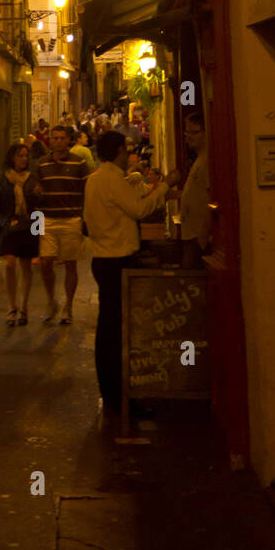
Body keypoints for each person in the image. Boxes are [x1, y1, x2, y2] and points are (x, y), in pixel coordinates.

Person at [83, 130, 180, 420]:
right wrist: (164, 187)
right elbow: (140, 209)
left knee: (108, 329)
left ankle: (110, 391)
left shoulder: (94, 180)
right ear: (116, 152)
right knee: (119, 331)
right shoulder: (113, 180)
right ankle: (119, 394)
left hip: (102, 258)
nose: (129, 155)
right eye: (125, 150)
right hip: (117, 261)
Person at [36, 124, 90, 324]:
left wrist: (84, 218)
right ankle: (51, 301)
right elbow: (36, 193)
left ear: (68, 140)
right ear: (50, 140)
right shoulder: (42, 164)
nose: (58, 141)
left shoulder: (79, 162)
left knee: (70, 263)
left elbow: (88, 190)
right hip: (47, 219)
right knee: (45, 262)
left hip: (71, 219)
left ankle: (68, 305)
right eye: (55, 138)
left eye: (61, 138)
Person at [0, 143, 43, 326]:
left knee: (26, 267)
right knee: (9, 264)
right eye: (20, 155)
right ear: (12, 158)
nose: (24, 158)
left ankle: (23, 307)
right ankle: (11, 306)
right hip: (9, 226)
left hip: (29, 226)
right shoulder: (3, 179)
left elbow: (39, 207)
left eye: (26, 155)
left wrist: (39, 233)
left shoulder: (33, 179)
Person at [178, 112, 212, 254]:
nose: (189, 136)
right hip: (191, 234)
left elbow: (213, 198)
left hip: (198, 236)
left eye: (194, 132)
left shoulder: (208, 162)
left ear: (206, 133)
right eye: (187, 132)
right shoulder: (200, 159)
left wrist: (204, 234)